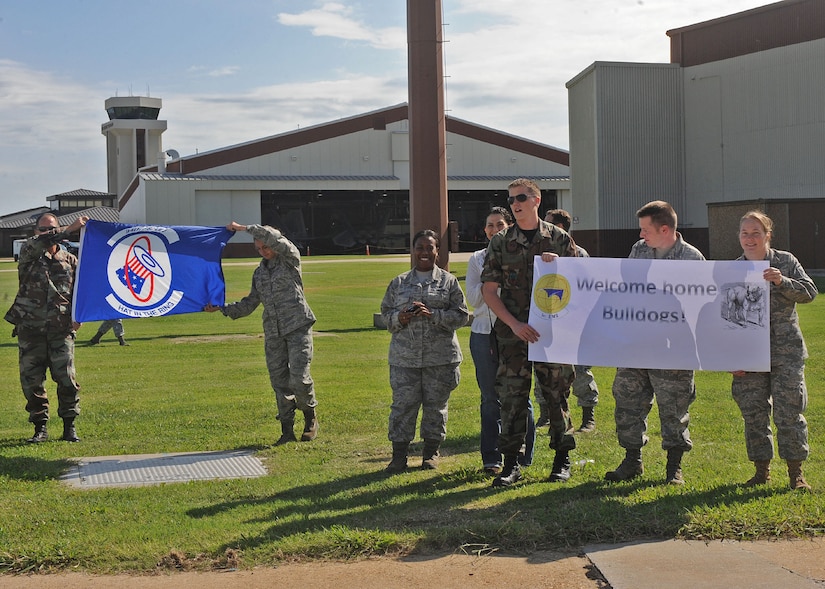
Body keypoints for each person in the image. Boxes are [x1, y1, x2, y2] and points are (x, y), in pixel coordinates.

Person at [481, 178, 578, 487]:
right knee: (512, 397)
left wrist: (560, 266)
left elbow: (580, 284)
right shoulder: (500, 241)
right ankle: (511, 463)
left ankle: (562, 459)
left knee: (556, 395)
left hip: (552, 334)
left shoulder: (559, 239)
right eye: (511, 199)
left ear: (536, 200)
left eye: (521, 197)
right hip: (513, 336)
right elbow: (489, 290)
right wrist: (514, 324)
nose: (515, 203)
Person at [605, 200, 705, 485]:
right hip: (635, 345)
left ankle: (674, 467)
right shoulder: (638, 251)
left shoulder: (691, 258)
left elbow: (698, 305)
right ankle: (632, 461)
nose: (640, 236)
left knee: (674, 408)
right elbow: (625, 288)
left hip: (673, 348)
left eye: (645, 230)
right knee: (627, 402)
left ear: (664, 229)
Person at [204, 222, 319, 445]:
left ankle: (310, 417)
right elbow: (250, 303)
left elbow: (274, 239)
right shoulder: (259, 273)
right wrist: (222, 308)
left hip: (297, 327)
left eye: (266, 246)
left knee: (299, 379)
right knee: (279, 382)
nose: (264, 251)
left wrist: (244, 227)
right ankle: (287, 429)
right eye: (259, 249)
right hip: (274, 332)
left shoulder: (289, 259)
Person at [731, 211, 816, 490]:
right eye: (745, 233)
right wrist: (730, 356)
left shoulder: (785, 261)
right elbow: (723, 319)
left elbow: (810, 293)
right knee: (754, 414)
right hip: (749, 355)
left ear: (768, 235)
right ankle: (761, 471)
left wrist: (782, 281)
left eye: (756, 232)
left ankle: (796, 474)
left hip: (785, 353)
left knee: (789, 413)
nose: (750, 238)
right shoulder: (732, 270)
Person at [380, 229, 469, 473]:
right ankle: (399, 457)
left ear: (437, 251)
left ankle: (431, 453)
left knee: (435, 407)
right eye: (419, 247)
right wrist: (400, 317)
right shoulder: (399, 283)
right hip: (404, 359)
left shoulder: (448, 282)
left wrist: (434, 314)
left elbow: (462, 316)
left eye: (430, 248)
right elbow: (384, 316)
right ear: (413, 250)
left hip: (439, 359)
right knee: (402, 407)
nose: (424, 253)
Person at [4, 212, 89, 443]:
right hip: (30, 329)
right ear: (35, 232)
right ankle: (39, 428)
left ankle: (69, 426)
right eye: (43, 229)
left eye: (51, 228)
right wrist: (67, 230)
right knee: (32, 381)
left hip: (61, 329)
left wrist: (78, 315)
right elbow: (42, 243)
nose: (47, 233)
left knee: (67, 379)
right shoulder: (29, 253)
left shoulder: (70, 260)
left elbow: (80, 290)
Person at [466, 207, 536, 476]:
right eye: (489, 225)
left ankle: (524, 455)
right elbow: (473, 299)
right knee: (489, 398)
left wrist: (493, 289)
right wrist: (493, 284)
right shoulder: (477, 258)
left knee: (521, 396)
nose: (493, 229)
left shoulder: (520, 255)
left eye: (499, 224)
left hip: (514, 333)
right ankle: (492, 457)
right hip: (484, 333)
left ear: (508, 227)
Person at [544, 208, 600, 432]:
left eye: (549, 225)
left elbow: (586, 287)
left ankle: (588, 416)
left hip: (574, 325)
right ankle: (547, 416)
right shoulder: (540, 253)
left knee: (579, 372)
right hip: (547, 323)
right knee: (546, 372)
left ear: (561, 227)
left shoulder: (579, 253)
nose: (544, 230)